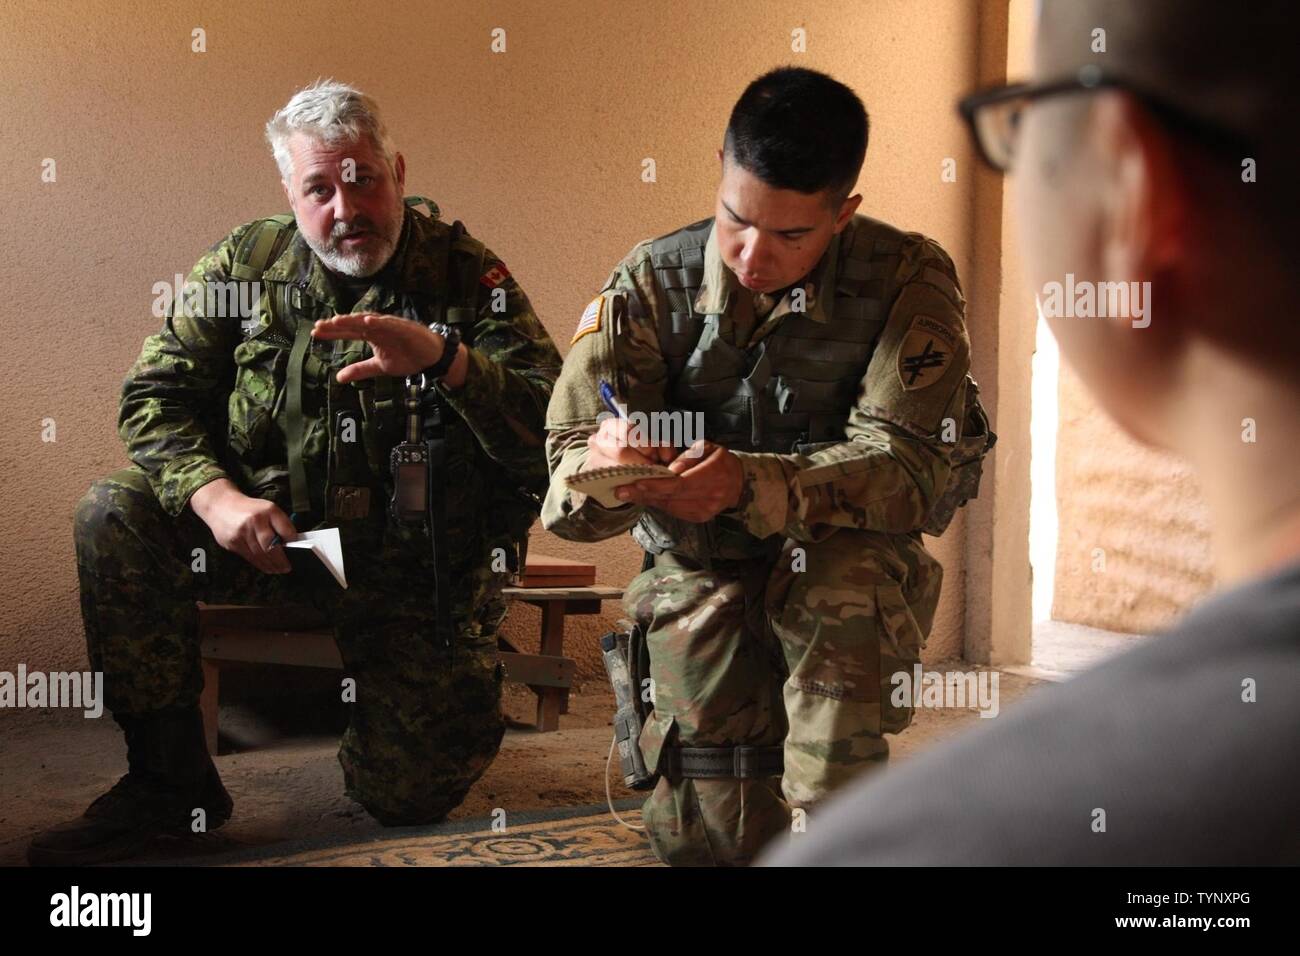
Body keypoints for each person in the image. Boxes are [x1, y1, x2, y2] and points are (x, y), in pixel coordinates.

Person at [763, 0, 1300, 866]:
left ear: (1129, 191)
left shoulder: (927, 844)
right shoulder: (660, 276)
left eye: (1018, 124)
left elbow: (905, 458)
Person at [28, 79, 561, 866]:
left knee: (406, 798)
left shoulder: (465, 274)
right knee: (114, 511)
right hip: (272, 545)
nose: (345, 209)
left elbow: (549, 429)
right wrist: (216, 501)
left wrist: (449, 362)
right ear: (290, 189)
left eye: (362, 180)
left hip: (409, 566)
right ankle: (168, 784)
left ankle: (425, 704)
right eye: (319, 187)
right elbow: (155, 396)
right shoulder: (248, 261)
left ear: (398, 172)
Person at [542, 67, 993, 866]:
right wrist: (601, 466)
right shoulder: (651, 282)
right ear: (720, 165)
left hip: (838, 566)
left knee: (838, 614)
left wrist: (748, 484)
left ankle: (844, 816)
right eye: (736, 220)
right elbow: (565, 481)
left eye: (792, 236)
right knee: (713, 844)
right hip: (701, 569)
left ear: (843, 213)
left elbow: (909, 470)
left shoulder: (906, 280)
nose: (754, 255)